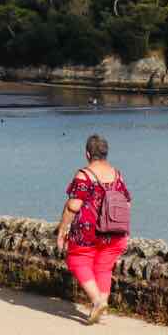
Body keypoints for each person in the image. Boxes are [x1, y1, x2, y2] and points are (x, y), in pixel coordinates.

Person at [55, 133, 130, 325]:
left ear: (87, 154)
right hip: (115, 231)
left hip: (88, 232)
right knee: (104, 267)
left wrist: (62, 230)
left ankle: (97, 301)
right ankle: (102, 310)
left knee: (77, 259)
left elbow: (73, 206)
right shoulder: (117, 174)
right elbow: (127, 202)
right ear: (106, 153)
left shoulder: (84, 175)